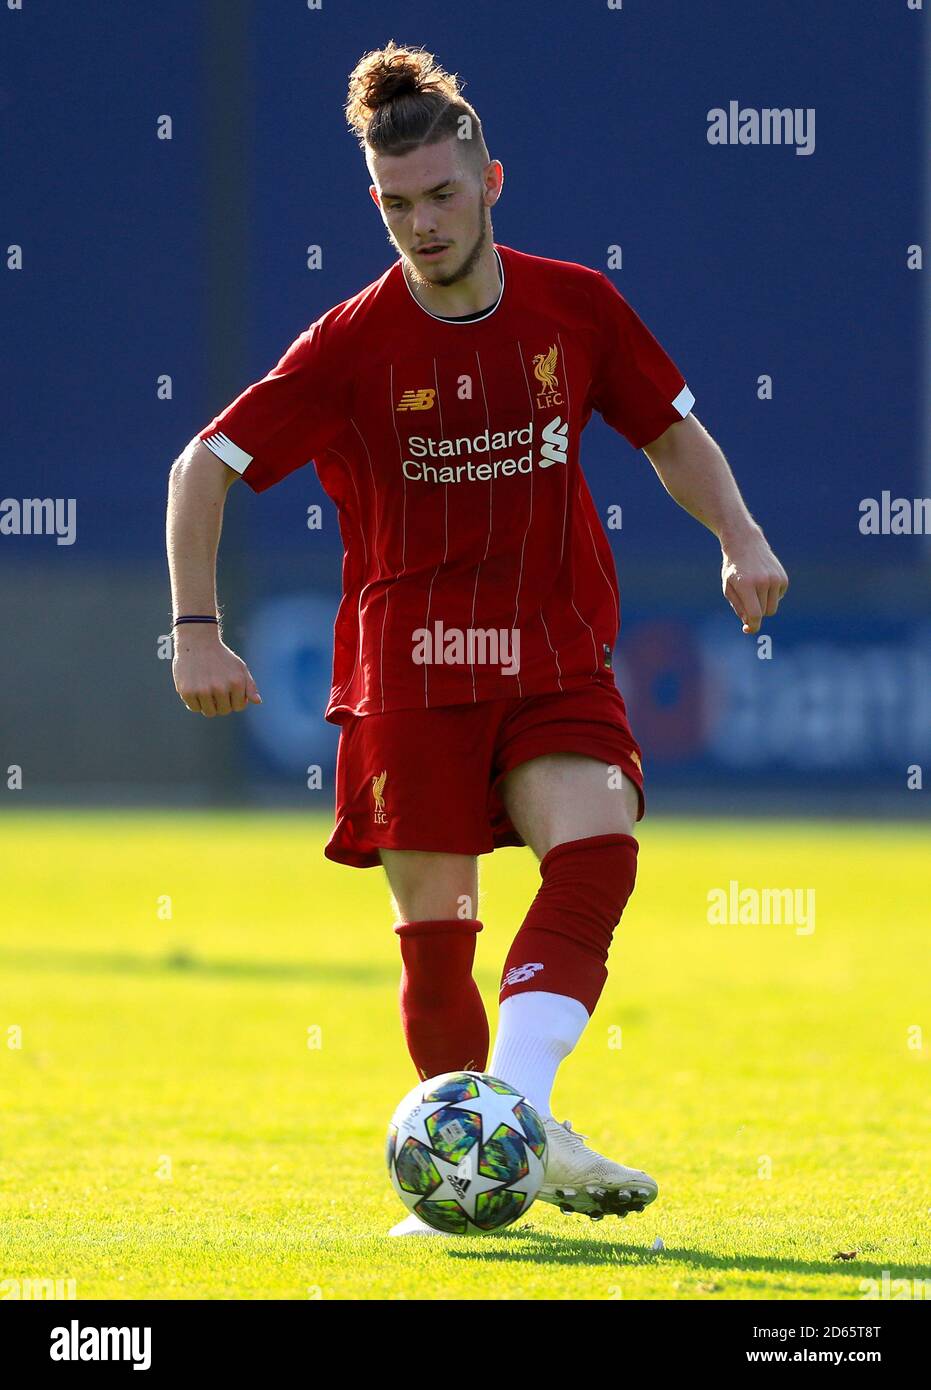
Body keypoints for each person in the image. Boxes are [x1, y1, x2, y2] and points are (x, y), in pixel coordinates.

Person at [166, 42, 788, 1237]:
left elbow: (669, 433)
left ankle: (513, 1118)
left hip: (551, 652)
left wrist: (740, 535)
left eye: (443, 195)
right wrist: (194, 627)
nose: (423, 223)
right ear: (374, 203)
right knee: (437, 943)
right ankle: (497, 1155)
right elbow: (205, 462)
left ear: (491, 181)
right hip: (409, 671)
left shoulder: (577, 305)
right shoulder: (351, 342)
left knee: (599, 847)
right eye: (397, 205)